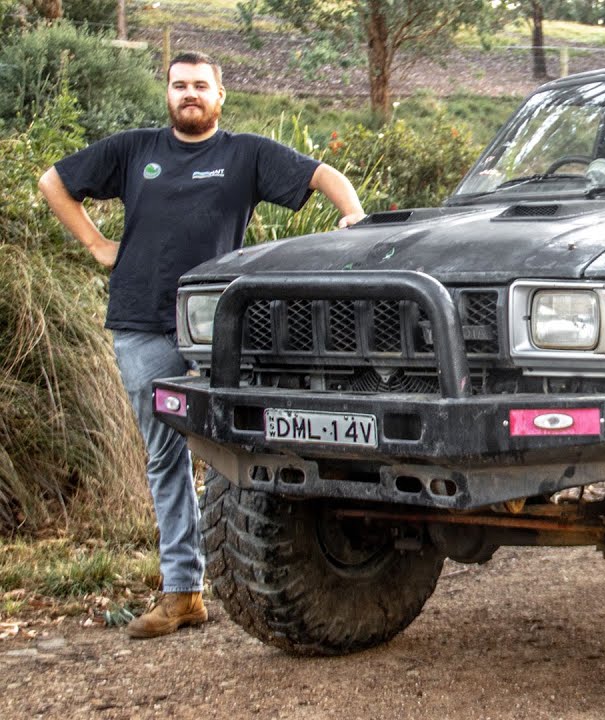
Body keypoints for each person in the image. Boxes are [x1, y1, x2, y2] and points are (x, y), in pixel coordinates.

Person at [38, 51, 366, 639]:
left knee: (243, 446)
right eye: (179, 85)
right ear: (167, 94)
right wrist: (95, 244)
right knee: (165, 457)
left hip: (219, 333)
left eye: (200, 85)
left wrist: (353, 217)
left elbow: (325, 176)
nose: (189, 94)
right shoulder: (134, 150)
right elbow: (53, 182)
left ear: (220, 95)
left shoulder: (244, 154)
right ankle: (183, 592)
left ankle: (277, 575)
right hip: (140, 324)